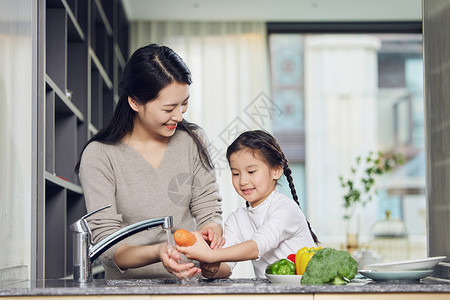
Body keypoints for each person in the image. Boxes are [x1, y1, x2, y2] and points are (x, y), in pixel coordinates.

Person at [75, 44, 224, 279]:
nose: (179, 115)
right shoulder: (100, 155)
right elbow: (106, 245)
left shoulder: (192, 141)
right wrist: (158, 252)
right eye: (168, 108)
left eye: (184, 103)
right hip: (128, 292)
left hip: (189, 286)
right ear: (134, 102)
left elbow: (208, 209)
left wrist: (212, 231)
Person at [177, 130, 319, 278]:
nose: (243, 181)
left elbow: (257, 246)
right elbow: (225, 266)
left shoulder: (286, 209)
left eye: (251, 172)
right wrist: (210, 267)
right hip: (271, 294)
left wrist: (212, 255)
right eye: (236, 173)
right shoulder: (237, 219)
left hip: (306, 293)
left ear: (276, 171)